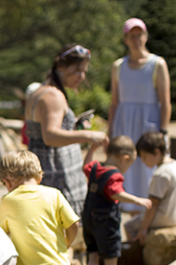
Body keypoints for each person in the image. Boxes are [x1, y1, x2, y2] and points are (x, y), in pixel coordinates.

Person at [25, 44, 109, 217]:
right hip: (56, 173)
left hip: (42, 168)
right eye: (77, 70)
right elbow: (50, 136)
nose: (81, 76)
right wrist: (89, 135)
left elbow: (42, 131)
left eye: (84, 71)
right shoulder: (53, 96)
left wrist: (75, 127)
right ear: (61, 67)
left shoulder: (39, 91)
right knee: (62, 223)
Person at [108, 17, 171, 212]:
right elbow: (114, 102)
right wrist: (110, 131)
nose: (137, 39)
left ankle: (148, 213)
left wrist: (163, 132)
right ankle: (127, 211)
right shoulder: (118, 66)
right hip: (124, 124)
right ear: (125, 39)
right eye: (132, 36)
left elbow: (165, 102)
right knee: (125, 165)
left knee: (147, 167)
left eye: (140, 35)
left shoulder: (157, 64)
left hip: (148, 125)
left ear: (146, 36)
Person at [81, 136, 153, 265]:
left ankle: (93, 261)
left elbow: (85, 166)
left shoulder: (96, 168)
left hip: (88, 215)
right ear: (124, 159)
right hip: (105, 218)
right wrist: (137, 200)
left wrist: (91, 150)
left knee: (92, 240)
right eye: (129, 165)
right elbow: (115, 193)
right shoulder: (114, 175)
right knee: (112, 245)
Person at [125, 131, 176, 244]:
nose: (143, 161)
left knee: (128, 226)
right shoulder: (175, 165)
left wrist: (143, 228)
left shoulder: (161, 174)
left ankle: (137, 249)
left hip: (163, 218)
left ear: (156, 152)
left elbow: (153, 204)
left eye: (145, 157)